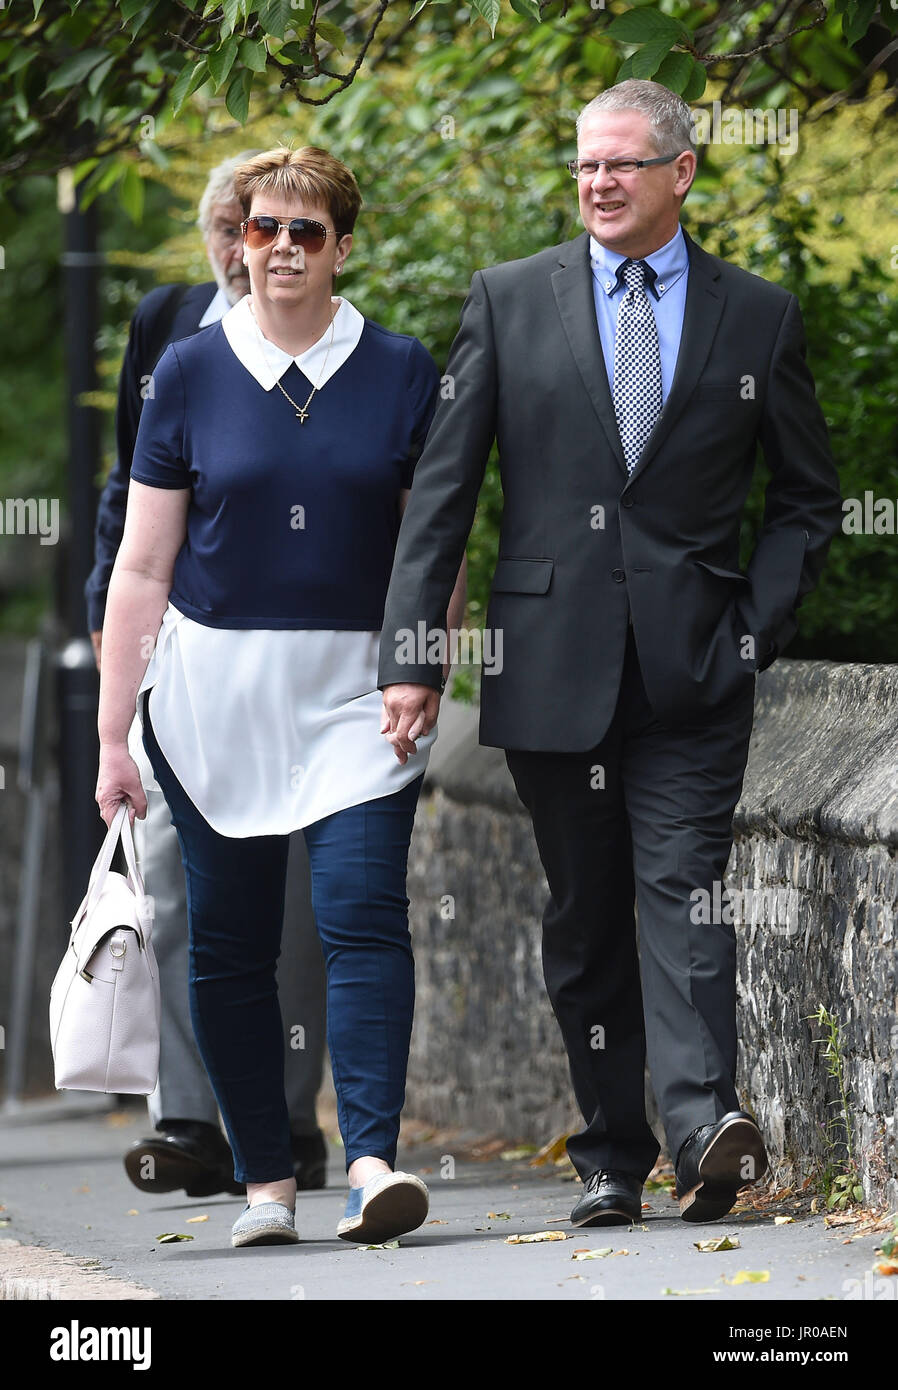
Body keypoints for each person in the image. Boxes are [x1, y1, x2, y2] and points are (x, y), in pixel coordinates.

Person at [378, 80, 843, 1227]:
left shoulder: (758, 315)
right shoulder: (507, 301)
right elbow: (441, 494)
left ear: (679, 172)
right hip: (550, 664)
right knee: (585, 915)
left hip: (696, 668)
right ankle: (606, 1156)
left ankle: (703, 1127)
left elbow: (805, 498)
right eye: (584, 164)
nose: (596, 182)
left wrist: (754, 624)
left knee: (685, 892)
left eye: (621, 165)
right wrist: (412, 654)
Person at [94, 145, 466, 1248]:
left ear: (343, 247)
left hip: (358, 692)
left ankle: (369, 1165)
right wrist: (117, 733)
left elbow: (432, 545)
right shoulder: (192, 372)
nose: (284, 250)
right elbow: (144, 568)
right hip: (215, 694)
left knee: (361, 919)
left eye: (307, 232)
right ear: (237, 240)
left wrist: (420, 664)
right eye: (264, 229)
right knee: (228, 942)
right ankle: (263, 1180)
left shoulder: (401, 369)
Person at [85, 153, 329, 1200]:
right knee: (175, 883)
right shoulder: (168, 325)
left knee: (291, 904)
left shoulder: (329, 340)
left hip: (296, 663)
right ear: (215, 239)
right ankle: (186, 1117)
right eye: (234, 227)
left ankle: (279, 1117)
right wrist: (115, 636)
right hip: (175, 657)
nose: (253, 247)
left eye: (275, 226)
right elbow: (123, 492)